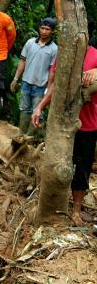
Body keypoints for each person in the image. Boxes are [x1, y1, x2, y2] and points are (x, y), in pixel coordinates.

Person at [31, 37, 97, 225]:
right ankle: (51, 205)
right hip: (60, 123)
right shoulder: (65, 54)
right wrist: (40, 107)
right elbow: (55, 85)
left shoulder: (95, 55)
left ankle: (76, 210)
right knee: (56, 164)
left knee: (82, 168)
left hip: (87, 124)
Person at [10, 17, 58, 134]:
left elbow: (52, 71)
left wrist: (48, 87)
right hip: (26, 82)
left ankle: (30, 138)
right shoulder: (30, 43)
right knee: (24, 109)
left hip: (41, 85)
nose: (44, 31)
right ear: (39, 28)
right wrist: (16, 79)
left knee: (37, 111)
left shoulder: (54, 49)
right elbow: (22, 62)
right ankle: (20, 134)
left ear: (52, 31)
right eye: (42, 28)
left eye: (47, 29)